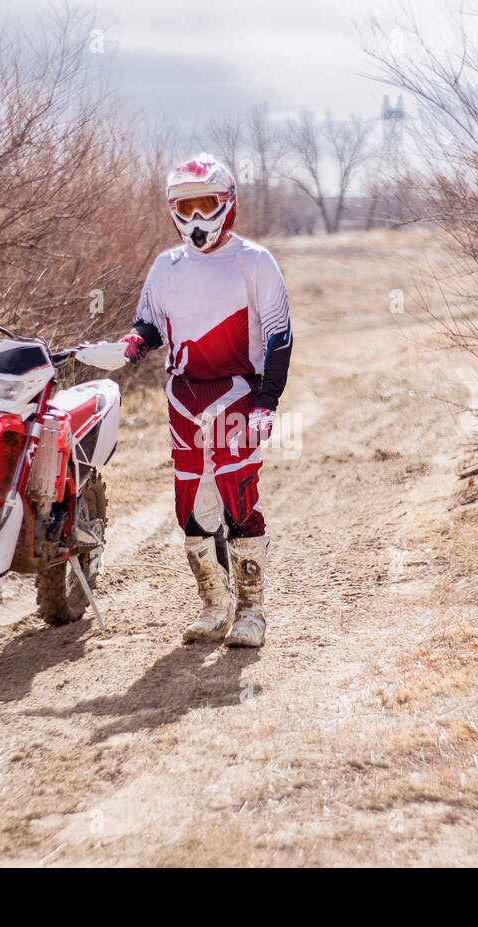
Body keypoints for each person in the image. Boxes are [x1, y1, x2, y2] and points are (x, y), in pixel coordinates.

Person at [119, 154, 292, 648]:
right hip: (183, 397)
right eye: (184, 206)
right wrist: (134, 343)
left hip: (238, 393)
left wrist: (267, 402)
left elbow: (279, 336)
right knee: (191, 506)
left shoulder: (254, 261)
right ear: (172, 209)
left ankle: (252, 610)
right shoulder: (166, 266)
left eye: (206, 204)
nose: (196, 217)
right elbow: (150, 323)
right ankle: (215, 605)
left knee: (239, 499)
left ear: (227, 203)